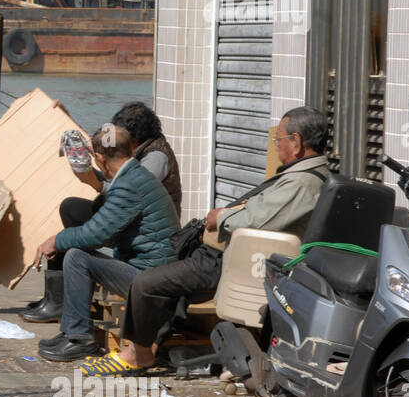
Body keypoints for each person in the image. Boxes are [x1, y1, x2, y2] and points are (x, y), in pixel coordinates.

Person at [81, 106, 330, 376]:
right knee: (164, 274)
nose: (277, 145)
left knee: (146, 282)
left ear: (296, 142)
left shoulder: (303, 182)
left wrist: (221, 217)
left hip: (226, 260)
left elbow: (257, 219)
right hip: (216, 254)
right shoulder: (299, 176)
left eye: (279, 140)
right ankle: (152, 347)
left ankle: (136, 355)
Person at [31, 124, 179, 362]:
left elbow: (94, 234)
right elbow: (103, 226)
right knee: (76, 247)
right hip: (149, 268)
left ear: (99, 158)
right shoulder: (135, 176)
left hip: (150, 279)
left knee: (77, 256)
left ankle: (79, 339)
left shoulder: (129, 185)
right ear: (130, 149)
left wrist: (55, 240)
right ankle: (71, 330)